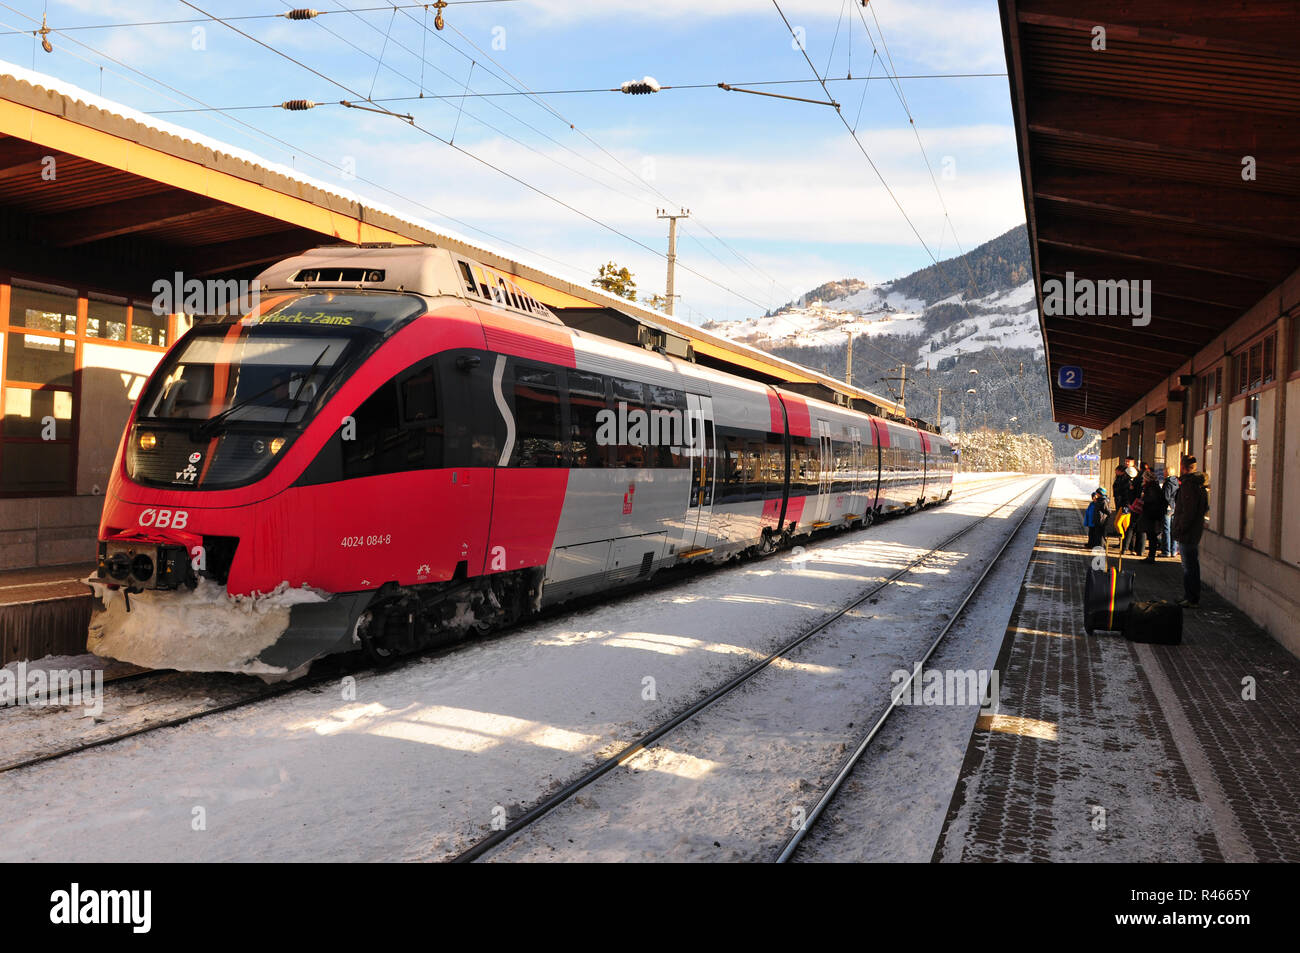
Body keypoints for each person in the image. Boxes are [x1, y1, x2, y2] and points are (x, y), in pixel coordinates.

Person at [1171, 455, 1210, 608]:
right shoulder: (1199, 485)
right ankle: (1190, 596)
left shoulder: (1189, 485)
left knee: (1189, 567)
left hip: (1188, 532)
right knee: (1191, 565)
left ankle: (1191, 598)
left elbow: (1188, 511)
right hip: (1194, 530)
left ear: (1183, 466)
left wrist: (1180, 528)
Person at [1138, 470, 1167, 562]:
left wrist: (1143, 499)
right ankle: (1151, 556)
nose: (1143, 479)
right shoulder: (1154, 486)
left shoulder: (1151, 487)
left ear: (1147, 478)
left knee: (1152, 536)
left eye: (1144, 477)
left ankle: (1151, 557)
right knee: (1152, 536)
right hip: (1153, 515)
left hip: (1152, 515)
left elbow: (1151, 500)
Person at [1161, 470, 1180, 557]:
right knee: (1173, 529)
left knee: (1166, 530)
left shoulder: (1167, 482)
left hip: (1167, 507)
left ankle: (1166, 551)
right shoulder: (1176, 482)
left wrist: (1166, 503)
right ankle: (1173, 550)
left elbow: (1166, 496)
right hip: (1174, 507)